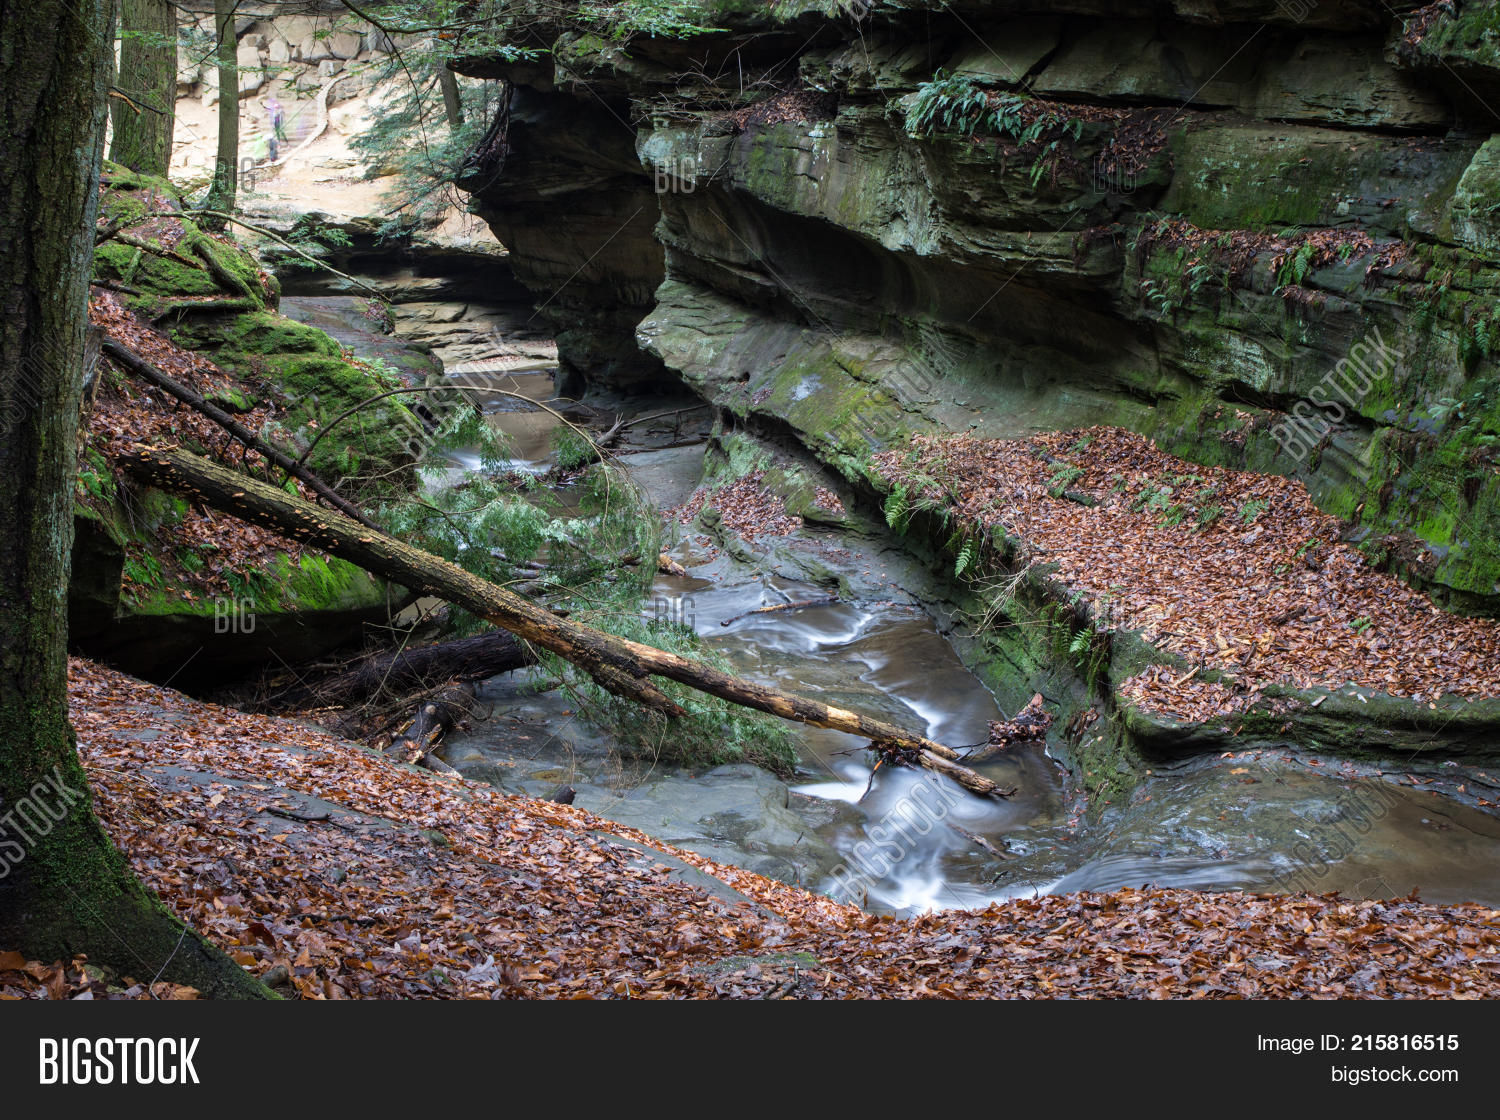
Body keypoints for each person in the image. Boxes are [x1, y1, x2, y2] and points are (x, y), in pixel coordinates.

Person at [262, 94, 286, 161]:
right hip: (276, 124)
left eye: (276, 107)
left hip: (279, 124)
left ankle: (274, 157)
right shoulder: (275, 112)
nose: (275, 108)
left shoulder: (279, 112)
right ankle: (274, 157)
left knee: (281, 134)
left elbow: (281, 118)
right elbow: (273, 119)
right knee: (278, 135)